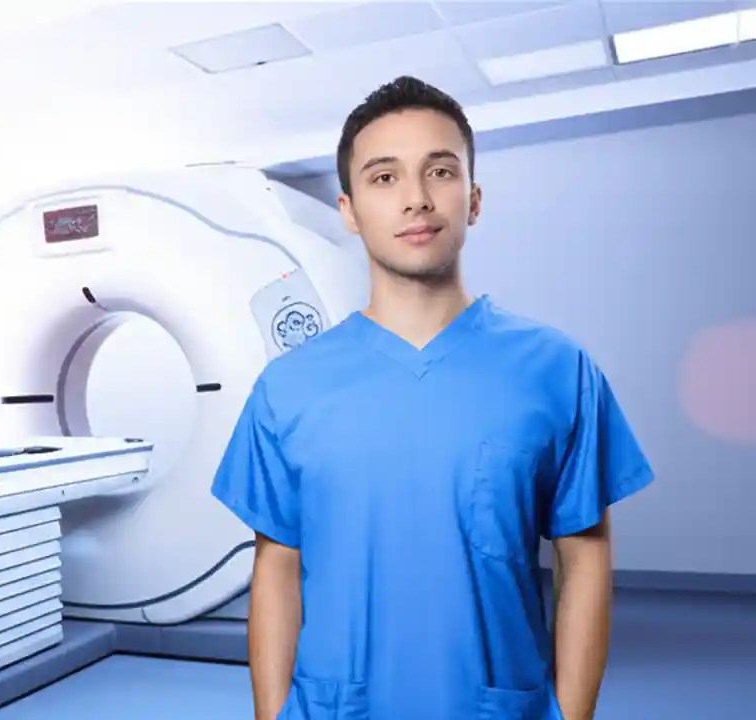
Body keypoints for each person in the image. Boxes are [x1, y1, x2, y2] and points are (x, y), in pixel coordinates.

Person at [210, 76, 655, 720]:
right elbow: (277, 566)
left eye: (439, 171)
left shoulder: (556, 370)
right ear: (350, 210)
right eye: (384, 177)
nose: (416, 199)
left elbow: (583, 556)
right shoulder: (289, 388)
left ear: (473, 199)